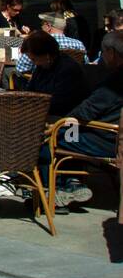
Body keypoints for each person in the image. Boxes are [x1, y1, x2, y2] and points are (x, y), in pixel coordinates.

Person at [40, 31, 123, 209]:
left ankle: (57, 190)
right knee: (67, 131)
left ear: (111, 53)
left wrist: (59, 123)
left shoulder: (115, 82)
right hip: (110, 134)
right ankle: (72, 181)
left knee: (53, 137)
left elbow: (85, 112)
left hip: (107, 138)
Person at [19, 30, 87, 118]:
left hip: (64, 120)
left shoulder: (68, 69)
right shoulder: (42, 67)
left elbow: (59, 104)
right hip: (44, 114)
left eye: (34, 59)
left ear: (46, 56)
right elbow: (30, 91)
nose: (34, 63)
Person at [15, 13, 86, 74]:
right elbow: (85, 63)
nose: (41, 27)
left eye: (42, 24)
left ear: (48, 26)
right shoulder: (79, 44)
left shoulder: (37, 43)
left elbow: (21, 68)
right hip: (69, 84)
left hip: (42, 85)